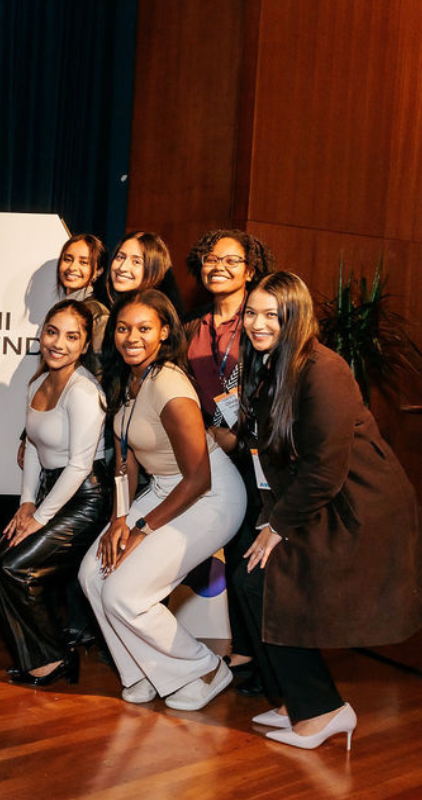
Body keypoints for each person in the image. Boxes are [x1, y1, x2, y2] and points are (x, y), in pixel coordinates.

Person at [234, 271, 422, 750]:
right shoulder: (267, 363)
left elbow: (324, 469)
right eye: (251, 313)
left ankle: (323, 709)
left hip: (357, 503)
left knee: (264, 581)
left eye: (271, 315)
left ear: (295, 317)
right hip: (314, 496)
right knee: (251, 578)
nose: (257, 323)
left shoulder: (324, 369)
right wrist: (271, 514)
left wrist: (276, 526)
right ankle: (294, 701)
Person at [78, 289, 245, 711]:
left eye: (144, 328)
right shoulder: (127, 379)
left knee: (124, 595)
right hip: (164, 490)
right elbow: (125, 461)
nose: (131, 337)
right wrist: (119, 518)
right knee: (93, 574)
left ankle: (205, 668)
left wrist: (139, 529)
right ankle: (141, 672)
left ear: (164, 332)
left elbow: (199, 477)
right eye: (123, 328)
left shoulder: (168, 383)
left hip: (210, 496)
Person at [0, 300, 109, 685]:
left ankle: (55, 659)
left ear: (85, 344)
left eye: (72, 337)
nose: (58, 344)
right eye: (52, 332)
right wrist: (26, 504)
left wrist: (40, 517)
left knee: (14, 567)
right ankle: (41, 659)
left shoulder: (84, 391)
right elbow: (34, 450)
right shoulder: (36, 384)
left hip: (86, 497)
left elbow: (79, 465)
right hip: (50, 491)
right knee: (0, 562)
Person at [183, 229, 274, 697]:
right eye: (210, 259)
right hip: (215, 454)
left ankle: (266, 658)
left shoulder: (260, 321)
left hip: (258, 454)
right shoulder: (192, 327)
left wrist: (239, 433)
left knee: (252, 559)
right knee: (234, 550)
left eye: (231, 260)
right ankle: (243, 650)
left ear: (250, 270)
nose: (218, 266)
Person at [104, 231, 183, 314]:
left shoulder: (155, 315)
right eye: (120, 257)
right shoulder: (103, 307)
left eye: (136, 262)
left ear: (153, 271)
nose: (122, 267)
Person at [55, 234, 109, 352]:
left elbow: (98, 361)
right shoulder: (62, 306)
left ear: (98, 271)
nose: (72, 267)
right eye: (68, 259)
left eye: (83, 262)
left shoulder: (97, 314)